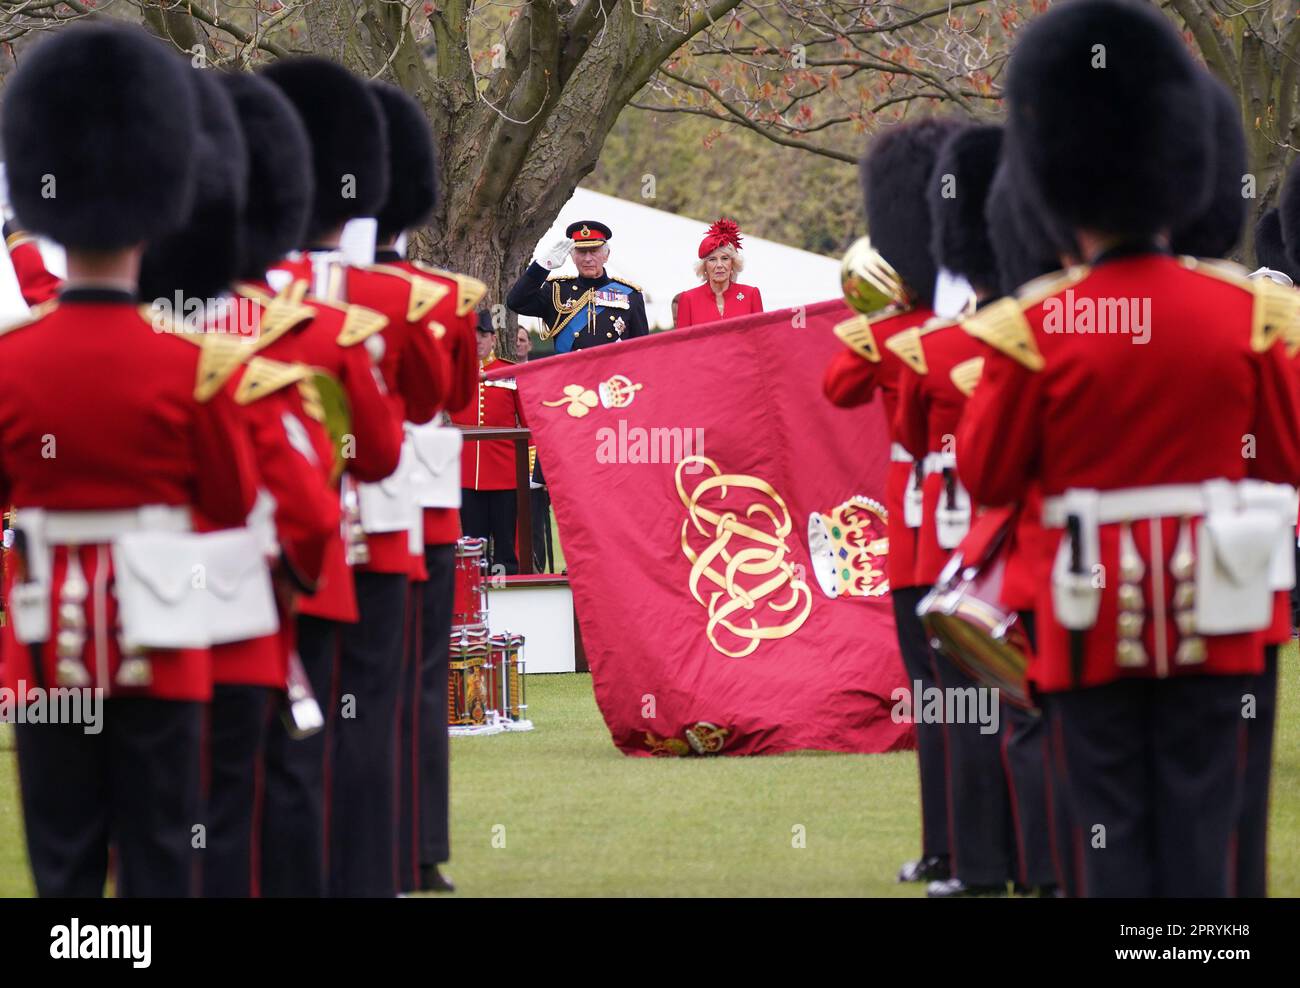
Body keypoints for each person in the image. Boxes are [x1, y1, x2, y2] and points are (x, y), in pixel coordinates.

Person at [957, 0, 1300, 897]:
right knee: (1212, 840)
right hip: (1221, 609)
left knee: (1099, 840)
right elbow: (1290, 459)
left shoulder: (1033, 329)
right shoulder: (1254, 316)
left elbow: (988, 475)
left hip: (1088, 617)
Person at [0, 23, 258, 896]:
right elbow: (230, 502)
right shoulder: (195, 364)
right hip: (167, 639)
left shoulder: (11, 362)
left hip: (45, 645)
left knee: (64, 859)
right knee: (159, 854)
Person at [257, 58, 407, 898]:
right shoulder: (340, 321)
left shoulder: (195, 318)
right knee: (325, 733)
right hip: (319, 550)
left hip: (191, 569)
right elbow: (379, 453)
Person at [823, 117, 961, 887]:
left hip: (932, 527)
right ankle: (959, 843)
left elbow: (844, 384)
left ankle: (958, 843)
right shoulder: (951, 330)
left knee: (944, 698)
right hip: (935, 528)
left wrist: (885, 320)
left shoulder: (918, 335)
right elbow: (836, 388)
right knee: (950, 700)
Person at [895, 124, 1023, 898]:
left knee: (960, 697)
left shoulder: (937, 347)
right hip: (1037, 542)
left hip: (966, 531)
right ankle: (1029, 861)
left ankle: (977, 859)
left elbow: (915, 436)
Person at [365, 79, 485, 896]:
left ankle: (352, 846)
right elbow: (461, 399)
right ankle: (420, 853)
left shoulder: (305, 299)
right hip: (427, 513)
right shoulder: (444, 298)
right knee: (418, 683)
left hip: (343, 516)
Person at [452, 312, 526, 575]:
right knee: (473, 546)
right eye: (472, 336)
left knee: (507, 545)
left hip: (504, 473)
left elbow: (527, 424)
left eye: (483, 336)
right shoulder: (454, 375)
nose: (477, 341)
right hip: (467, 474)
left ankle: (510, 594)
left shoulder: (510, 374)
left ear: (493, 339)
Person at [506, 220, 649, 352]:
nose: (587, 258)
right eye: (581, 252)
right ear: (573, 256)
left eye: (594, 251)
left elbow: (643, 349)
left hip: (612, 378)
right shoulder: (557, 291)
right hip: (571, 377)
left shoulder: (630, 295)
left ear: (606, 255)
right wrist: (542, 266)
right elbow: (516, 302)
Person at [675, 219, 764, 327]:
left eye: (725, 258)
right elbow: (683, 342)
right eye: (712, 259)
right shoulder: (688, 299)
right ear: (704, 267)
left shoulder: (750, 294)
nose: (719, 265)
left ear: (733, 263)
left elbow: (760, 338)